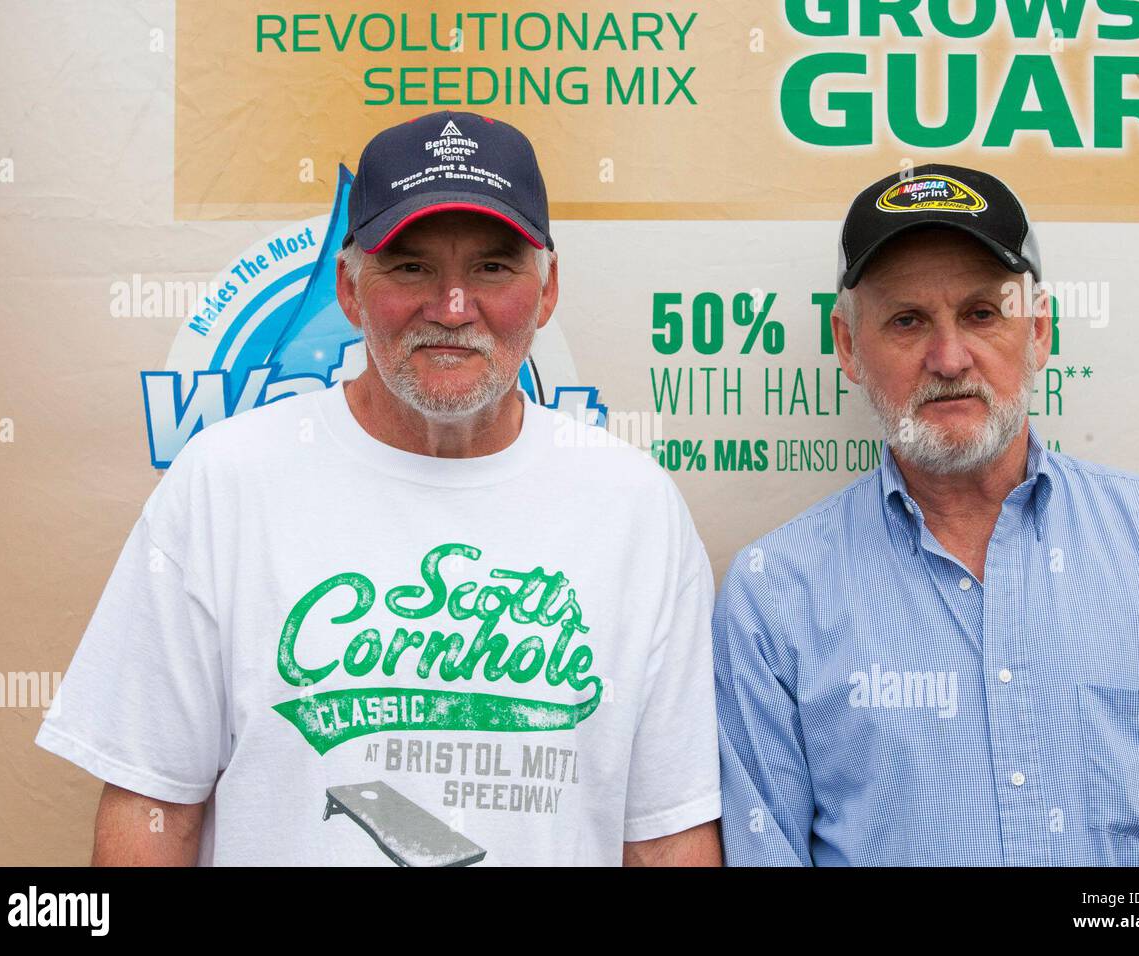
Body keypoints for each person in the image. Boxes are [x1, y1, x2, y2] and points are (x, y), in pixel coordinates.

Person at [38, 111, 721, 866]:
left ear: (548, 288)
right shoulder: (223, 486)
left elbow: (667, 836)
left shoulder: (635, 508)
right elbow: (152, 803)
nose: (453, 307)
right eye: (410, 267)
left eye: (493, 268)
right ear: (350, 289)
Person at [714, 164, 1139, 866]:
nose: (948, 358)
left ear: (1038, 333)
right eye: (907, 320)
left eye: (981, 313)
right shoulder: (773, 597)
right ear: (848, 345)